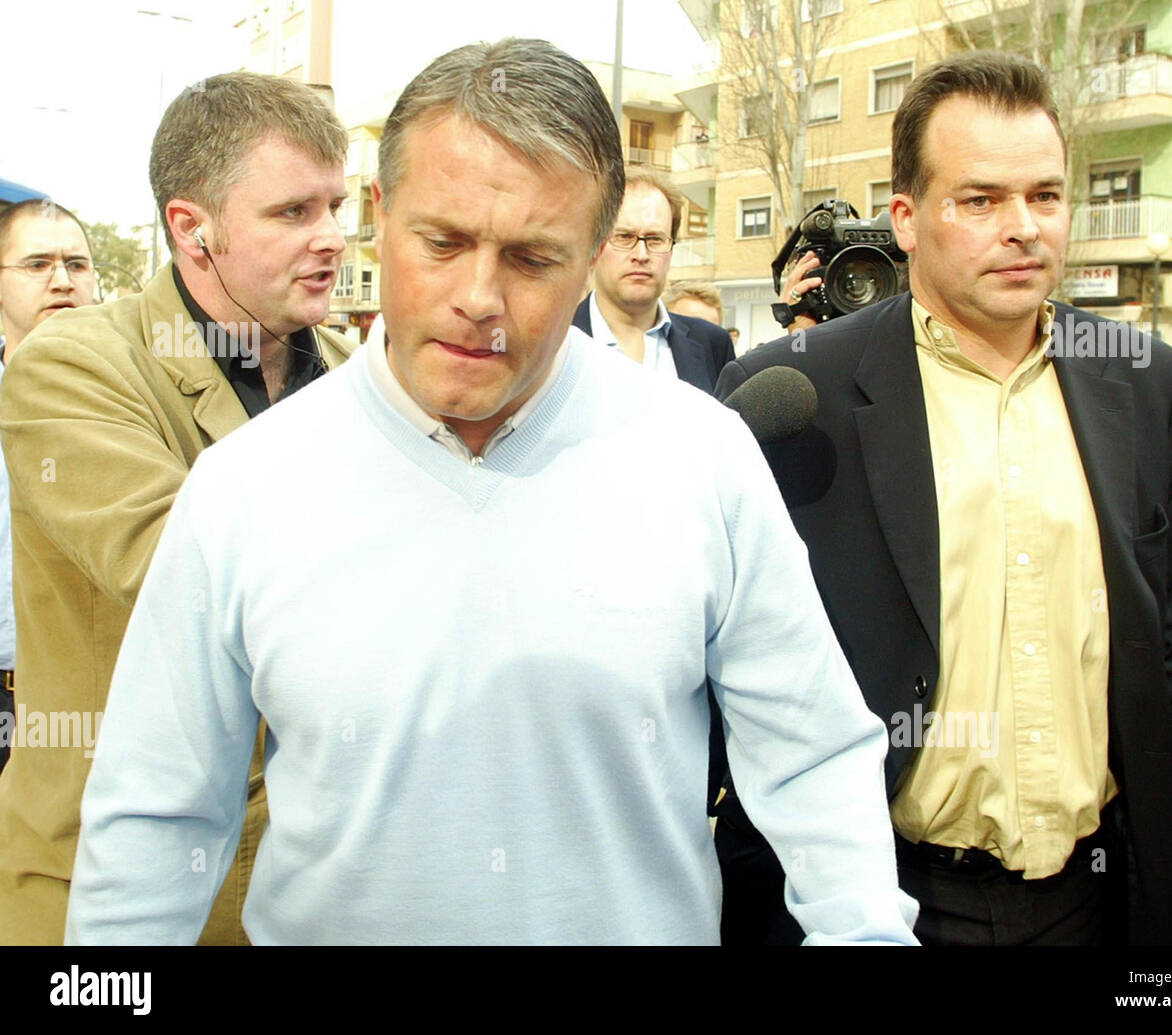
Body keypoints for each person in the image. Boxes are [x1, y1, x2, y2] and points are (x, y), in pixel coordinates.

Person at [63, 38, 917, 946]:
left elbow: (814, 754)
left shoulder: (702, 456)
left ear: (592, 254)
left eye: (531, 258)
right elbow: (156, 820)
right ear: (378, 216)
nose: (477, 295)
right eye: (443, 241)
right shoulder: (241, 488)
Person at [715, 51, 1172, 945]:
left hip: (1100, 898)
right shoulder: (797, 397)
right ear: (906, 218)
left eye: (1046, 196)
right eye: (979, 200)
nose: (1023, 227)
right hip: (877, 900)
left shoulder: (1142, 383)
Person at [0, 72, 355, 946]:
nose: (333, 240)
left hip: (308, 877)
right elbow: (185, 571)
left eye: (337, 206)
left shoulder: (356, 370)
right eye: (292, 213)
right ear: (190, 229)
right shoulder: (72, 366)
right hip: (118, 884)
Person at [0, 200, 96, 774]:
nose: (62, 281)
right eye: (37, 265)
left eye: (77, 265)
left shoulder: (141, 405)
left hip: (85, 702)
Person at [572, 169, 733, 393]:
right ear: (595, 244)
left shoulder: (712, 344)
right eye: (624, 237)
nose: (641, 254)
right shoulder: (553, 340)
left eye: (655, 239)